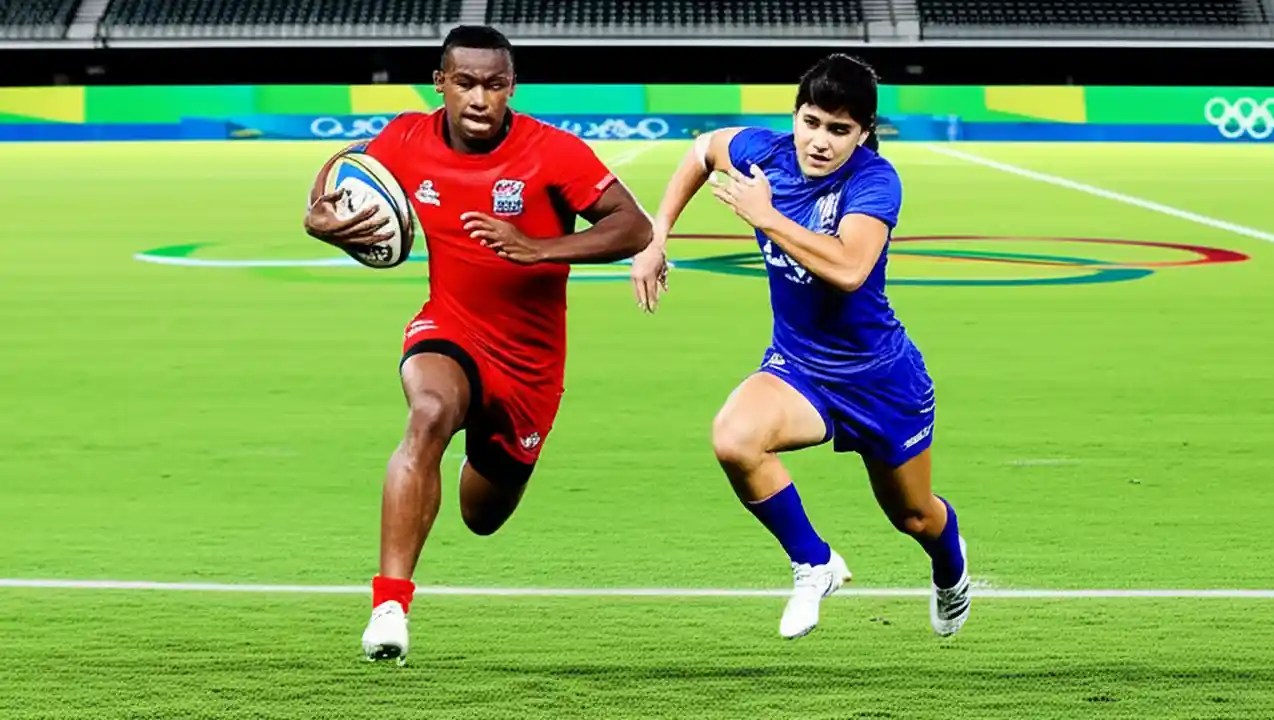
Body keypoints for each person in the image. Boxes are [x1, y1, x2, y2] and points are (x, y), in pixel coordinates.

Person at [303, 25, 652, 664]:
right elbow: (349, 161)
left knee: (482, 516)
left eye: (495, 84)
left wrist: (539, 248)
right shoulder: (406, 137)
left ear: (511, 87)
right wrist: (316, 212)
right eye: (464, 82)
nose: (479, 99)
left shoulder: (555, 154)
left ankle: (479, 455)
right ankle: (389, 606)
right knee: (430, 413)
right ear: (441, 83)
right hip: (449, 328)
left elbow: (634, 225)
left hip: (529, 368)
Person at [629, 53, 969, 640]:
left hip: (881, 380)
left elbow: (849, 268)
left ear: (864, 134)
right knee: (734, 438)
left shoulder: (873, 181)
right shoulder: (766, 153)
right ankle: (814, 564)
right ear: (795, 115)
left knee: (914, 515)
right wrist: (658, 233)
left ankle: (951, 568)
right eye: (811, 122)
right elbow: (702, 149)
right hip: (800, 368)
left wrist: (766, 215)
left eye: (839, 130)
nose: (819, 141)